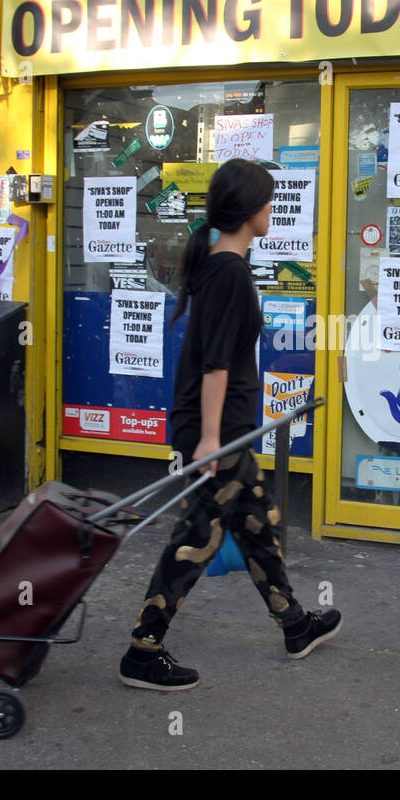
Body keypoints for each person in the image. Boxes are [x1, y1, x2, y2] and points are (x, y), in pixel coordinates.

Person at [118, 158, 342, 691]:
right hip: (214, 432)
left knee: (258, 523)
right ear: (248, 211)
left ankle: (294, 625)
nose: (272, 209)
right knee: (195, 536)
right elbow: (214, 364)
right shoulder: (230, 274)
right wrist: (212, 441)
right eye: (267, 200)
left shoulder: (222, 267)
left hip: (224, 428)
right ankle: (143, 652)